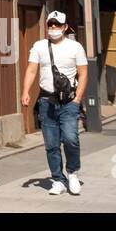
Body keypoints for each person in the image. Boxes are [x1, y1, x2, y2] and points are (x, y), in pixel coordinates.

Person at [22, 10, 87, 195]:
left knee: (70, 138)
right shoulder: (39, 46)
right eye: (50, 24)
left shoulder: (75, 47)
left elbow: (83, 74)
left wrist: (77, 99)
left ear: (65, 27)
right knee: (51, 144)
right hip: (46, 100)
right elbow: (32, 70)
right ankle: (58, 179)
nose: (53, 28)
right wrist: (26, 91)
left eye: (57, 25)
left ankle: (73, 173)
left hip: (68, 102)